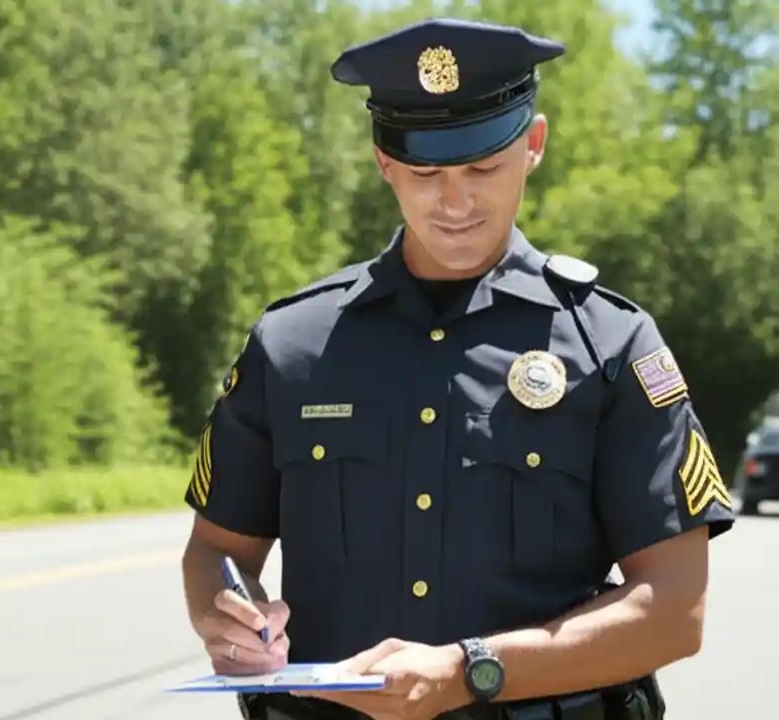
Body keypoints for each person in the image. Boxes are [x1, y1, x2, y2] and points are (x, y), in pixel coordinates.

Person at [178, 17, 735, 720]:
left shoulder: (610, 343)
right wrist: (227, 616)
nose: (456, 202)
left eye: (483, 167)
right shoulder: (293, 343)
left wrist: (472, 671)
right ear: (385, 162)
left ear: (532, 146)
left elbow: (673, 611)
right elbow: (216, 551)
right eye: (425, 173)